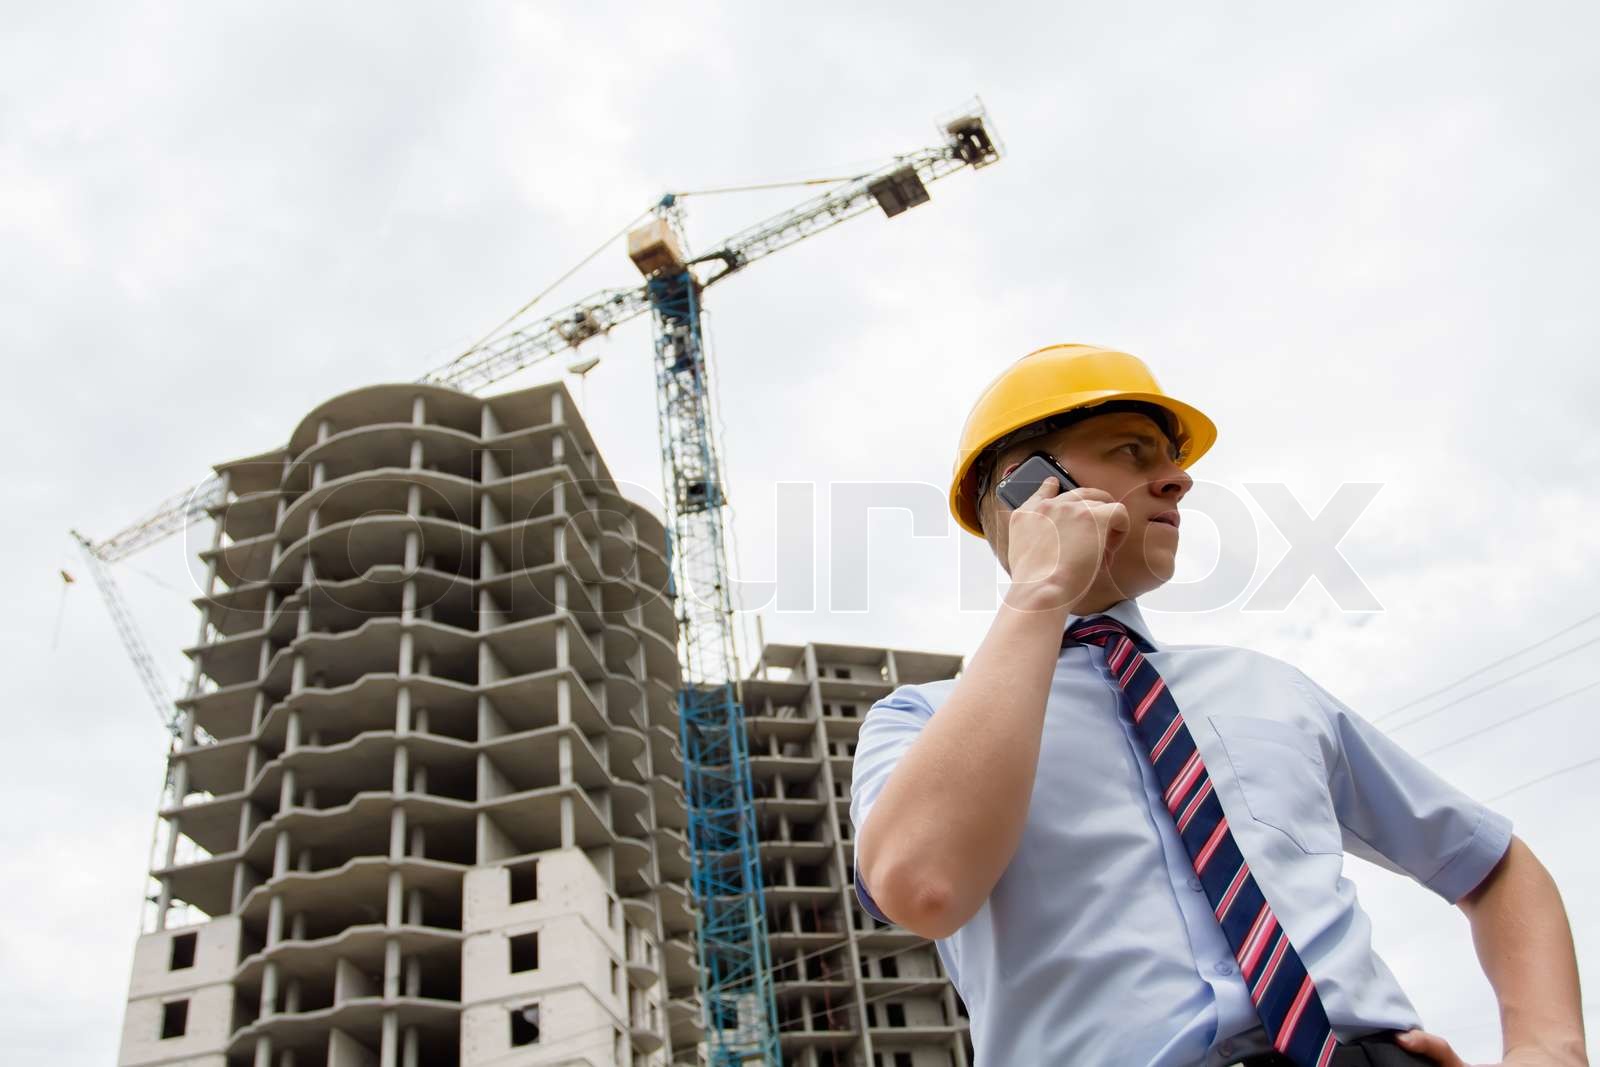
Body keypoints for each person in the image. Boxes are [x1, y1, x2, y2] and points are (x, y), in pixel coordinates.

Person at [849, 344, 1587, 1067]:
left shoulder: (1272, 689)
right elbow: (924, 886)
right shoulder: (919, 721)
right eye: (1135, 452)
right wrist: (1041, 589)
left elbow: (1492, 864)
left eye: (1173, 460)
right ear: (1027, 487)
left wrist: (1548, 1047)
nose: (1177, 481)